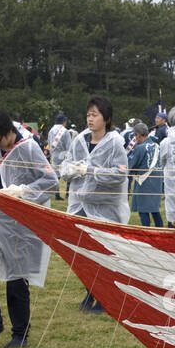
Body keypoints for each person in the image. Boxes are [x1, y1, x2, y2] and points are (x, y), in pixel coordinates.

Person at [0, 107, 56, 347]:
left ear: (8, 131)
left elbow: (51, 181)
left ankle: (20, 334)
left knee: (17, 278)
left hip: (18, 224)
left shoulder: (28, 147)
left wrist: (23, 192)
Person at [62, 95, 128, 313]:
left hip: (105, 209)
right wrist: (70, 170)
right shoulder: (79, 140)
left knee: (103, 254)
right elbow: (66, 166)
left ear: (106, 119)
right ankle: (92, 291)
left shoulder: (115, 142)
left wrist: (91, 171)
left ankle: (104, 297)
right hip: (80, 206)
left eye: (95, 115)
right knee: (84, 255)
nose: (90, 119)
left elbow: (120, 174)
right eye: (88, 114)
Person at [127, 121, 165, 227]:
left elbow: (131, 165)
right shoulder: (157, 146)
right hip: (157, 181)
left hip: (144, 182)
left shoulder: (140, 148)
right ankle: (160, 230)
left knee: (143, 209)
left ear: (138, 135)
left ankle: (146, 230)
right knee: (154, 209)